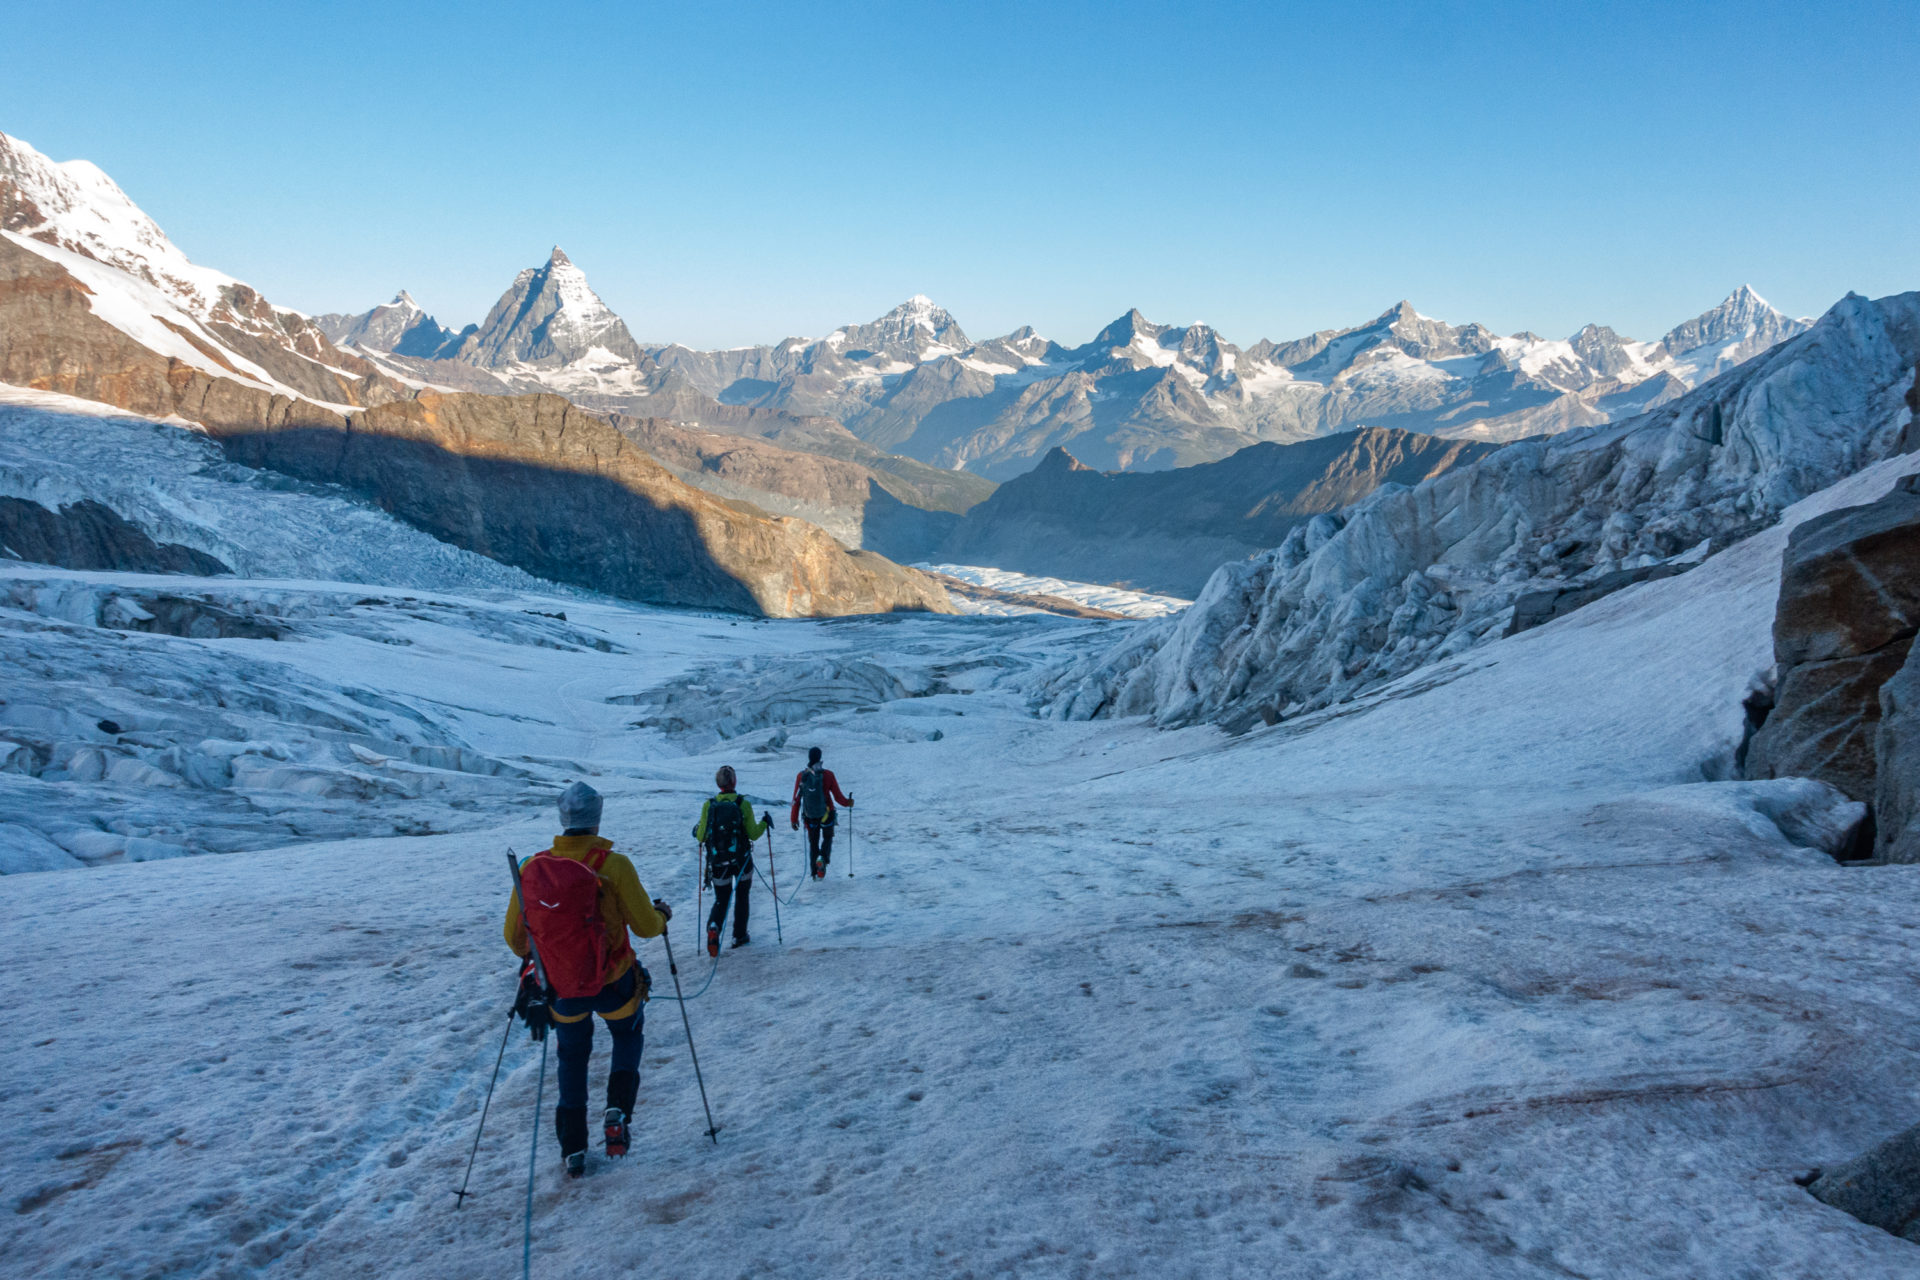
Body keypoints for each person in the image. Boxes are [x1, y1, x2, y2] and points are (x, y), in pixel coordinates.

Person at [505, 781, 671, 1179]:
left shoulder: (531, 868)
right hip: (614, 982)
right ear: (597, 817)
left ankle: (573, 1148)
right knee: (627, 1035)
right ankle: (617, 1112)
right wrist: (662, 914)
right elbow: (646, 927)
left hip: (562, 988)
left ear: (562, 818)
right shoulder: (615, 865)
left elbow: (515, 940)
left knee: (572, 1055)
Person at [692, 765, 771, 956]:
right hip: (742, 860)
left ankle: (714, 926)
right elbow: (753, 834)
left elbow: (701, 836)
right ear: (734, 782)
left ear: (718, 784)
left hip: (718, 862)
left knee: (722, 898)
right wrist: (765, 822)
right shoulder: (743, 804)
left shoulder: (709, 805)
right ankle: (739, 935)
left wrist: (696, 830)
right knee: (742, 896)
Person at [790, 746, 853, 880]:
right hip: (827, 814)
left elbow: (796, 799)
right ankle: (823, 858)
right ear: (820, 757)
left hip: (810, 816)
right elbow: (838, 797)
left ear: (809, 757)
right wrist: (848, 803)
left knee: (813, 843)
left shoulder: (802, 776)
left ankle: (815, 873)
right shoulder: (828, 775)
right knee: (828, 838)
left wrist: (793, 819)